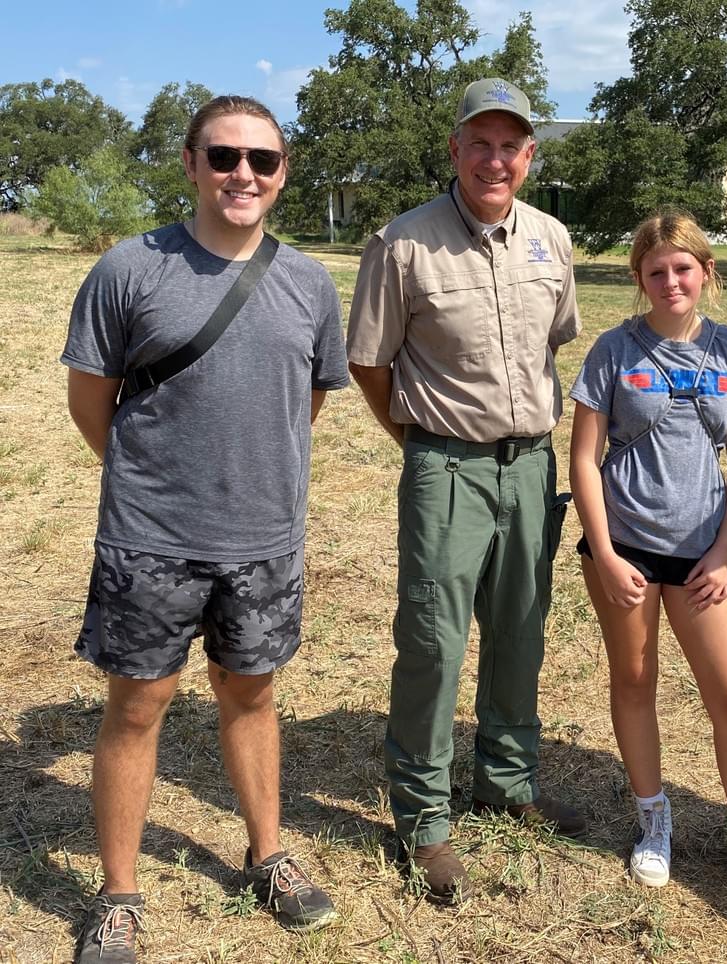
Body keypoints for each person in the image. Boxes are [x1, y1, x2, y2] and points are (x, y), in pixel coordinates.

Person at [62, 95, 348, 963]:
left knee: (251, 694)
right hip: (150, 537)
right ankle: (118, 894)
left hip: (263, 539)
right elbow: (91, 404)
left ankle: (268, 855)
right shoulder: (128, 270)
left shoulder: (308, 282)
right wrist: (162, 482)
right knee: (136, 707)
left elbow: (309, 402)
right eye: (223, 157)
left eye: (261, 160)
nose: (242, 175)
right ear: (190, 163)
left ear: (283, 172)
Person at [346, 77, 583, 904]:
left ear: (528, 156)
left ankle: (507, 783)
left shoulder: (552, 239)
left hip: (533, 465)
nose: (494, 159)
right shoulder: (402, 244)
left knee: (521, 627)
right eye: (478, 143)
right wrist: (418, 442)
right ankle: (422, 817)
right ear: (454, 150)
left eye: (510, 145)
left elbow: (555, 344)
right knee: (435, 641)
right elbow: (369, 362)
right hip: (444, 465)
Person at [569, 211, 727, 931]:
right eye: (655, 270)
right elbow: (582, 456)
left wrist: (725, 551)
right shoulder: (614, 349)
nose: (670, 281)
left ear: (706, 272)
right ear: (638, 278)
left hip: (705, 552)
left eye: (683, 268)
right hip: (625, 547)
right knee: (635, 682)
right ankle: (653, 820)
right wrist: (603, 552)